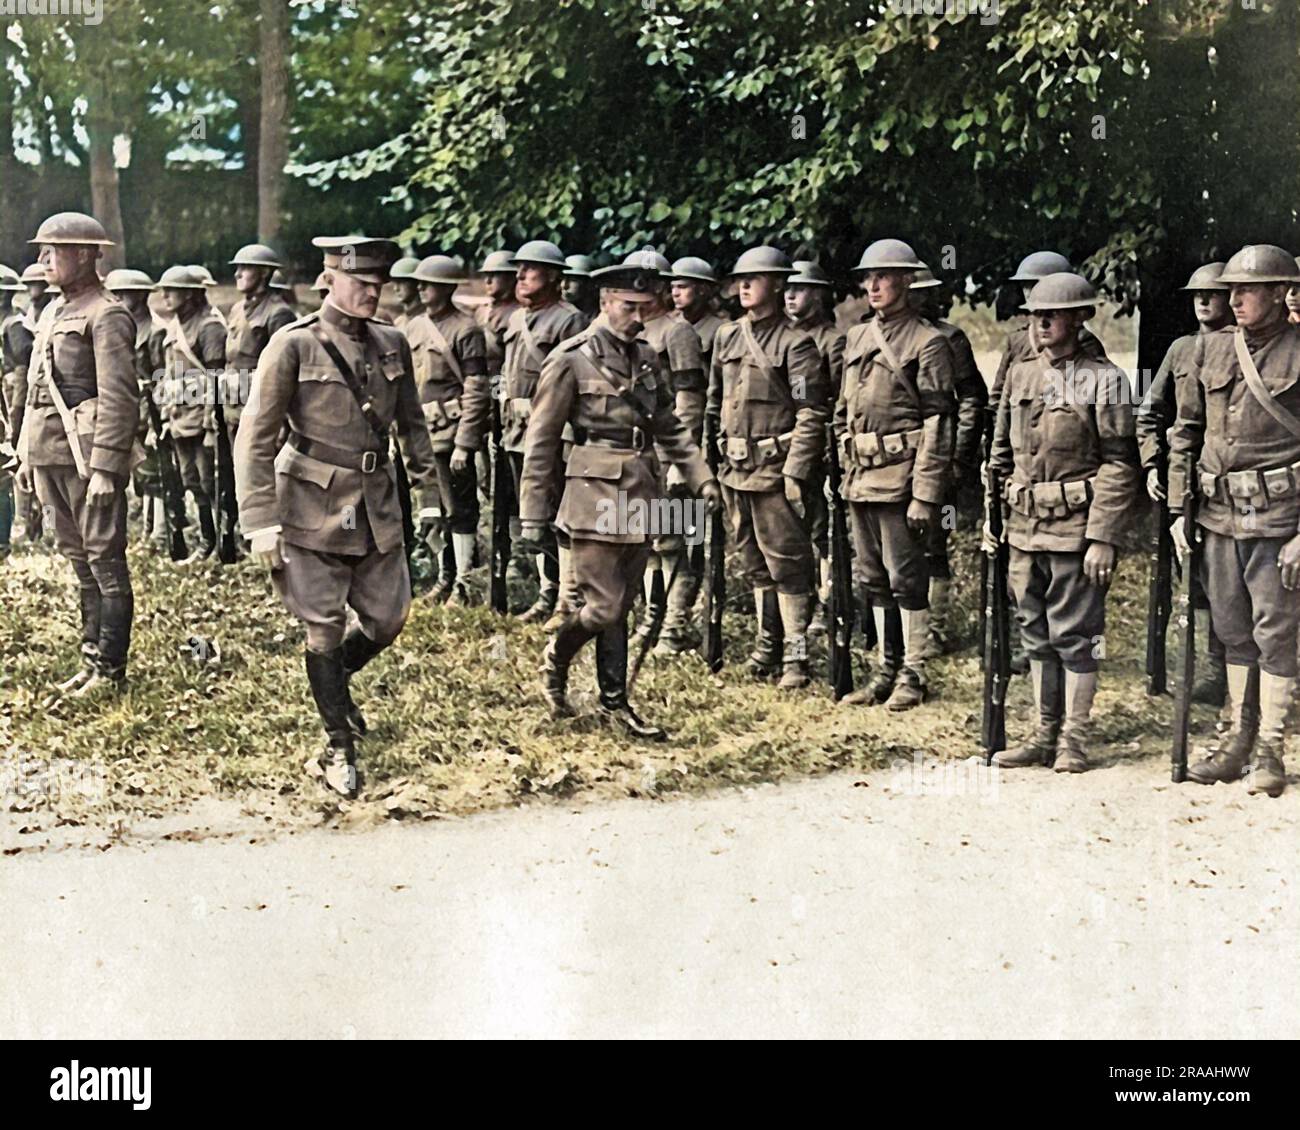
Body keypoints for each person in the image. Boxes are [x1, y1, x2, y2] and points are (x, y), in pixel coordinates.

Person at [234, 236, 439, 799]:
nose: (371, 294)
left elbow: (413, 426)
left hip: (375, 505)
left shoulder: (392, 342)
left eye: (379, 286)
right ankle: (338, 744)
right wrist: (260, 521)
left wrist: (429, 494)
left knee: (388, 619)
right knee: (322, 626)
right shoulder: (293, 345)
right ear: (329, 281)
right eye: (360, 285)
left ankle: (334, 683)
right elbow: (254, 438)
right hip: (310, 507)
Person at [519, 262, 720, 737]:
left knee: (623, 602)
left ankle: (615, 702)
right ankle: (557, 657)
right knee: (604, 606)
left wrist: (701, 479)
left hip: (640, 491)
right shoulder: (571, 358)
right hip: (592, 494)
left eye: (645, 308)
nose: (638, 316)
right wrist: (532, 512)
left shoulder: (647, 357)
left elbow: (669, 426)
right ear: (606, 301)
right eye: (629, 307)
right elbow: (542, 440)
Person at [987, 271, 1140, 772]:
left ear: (1079, 319)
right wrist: (995, 516)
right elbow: (1002, 455)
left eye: (1053, 315)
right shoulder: (1020, 376)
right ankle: (1042, 733)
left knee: (1075, 633)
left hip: (1076, 529)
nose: (1042, 324)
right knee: (1034, 632)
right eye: (1035, 315)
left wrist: (1103, 537)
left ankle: (1074, 737)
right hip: (1024, 528)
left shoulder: (1106, 379)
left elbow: (1119, 463)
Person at [1169, 244, 1300, 798]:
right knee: (1231, 630)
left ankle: (1271, 746)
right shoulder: (1211, 350)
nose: (1235, 298)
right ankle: (1236, 739)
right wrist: (1179, 509)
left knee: (1278, 633)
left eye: (1248, 289)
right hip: (1218, 515)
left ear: (1278, 293)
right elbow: (1185, 431)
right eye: (1232, 289)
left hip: (1279, 518)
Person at [12, 212, 139, 696]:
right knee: (79, 560)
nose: (43, 259)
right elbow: (35, 387)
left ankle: (110, 670)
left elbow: (119, 396)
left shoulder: (106, 314)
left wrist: (107, 467)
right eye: (41, 250)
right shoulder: (51, 312)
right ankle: (91, 661)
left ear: (86, 255)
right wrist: (26, 454)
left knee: (105, 561)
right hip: (50, 455)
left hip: (87, 460)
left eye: (54, 251)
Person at [835, 239, 957, 710]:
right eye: (868, 277)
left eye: (884, 276)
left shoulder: (929, 343)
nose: (874, 285)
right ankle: (885, 669)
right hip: (859, 477)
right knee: (872, 578)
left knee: (906, 577)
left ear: (908, 280)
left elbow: (938, 422)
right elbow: (844, 410)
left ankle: (914, 671)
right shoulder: (858, 337)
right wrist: (842, 467)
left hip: (901, 478)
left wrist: (925, 494)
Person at [706, 245, 827, 689]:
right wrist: (708, 465)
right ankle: (767, 644)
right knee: (754, 562)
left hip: (774, 471)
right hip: (734, 470)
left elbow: (810, 411)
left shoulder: (796, 344)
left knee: (788, 564)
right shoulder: (727, 337)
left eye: (753, 280)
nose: (743, 286)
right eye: (740, 279)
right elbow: (713, 404)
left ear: (776, 285)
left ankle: (796, 655)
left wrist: (795, 472)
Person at [1136, 262, 1235, 706]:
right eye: (1196, 294)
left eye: (1211, 294)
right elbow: (1151, 412)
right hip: (1180, 480)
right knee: (1190, 576)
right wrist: (1151, 465)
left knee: (1230, 577)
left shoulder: (1243, 349)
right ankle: (1205, 668)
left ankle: (1230, 667)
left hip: (1227, 478)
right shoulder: (1180, 349)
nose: (1202, 301)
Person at [501, 240, 589, 620]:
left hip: (550, 433)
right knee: (530, 514)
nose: (519, 276)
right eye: (519, 269)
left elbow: (578, 381)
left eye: (530, 269)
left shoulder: (569, 320)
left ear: (553, 277)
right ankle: (546, 591)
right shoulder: (515, 319)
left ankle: (568, 599)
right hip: (515, 430)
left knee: (557, 515)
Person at [909, 262, 987, 655]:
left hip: (940, 461)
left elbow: (972, 398)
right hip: (894, 462)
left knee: (935, 543)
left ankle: (935, 629)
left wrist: (958, 458)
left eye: (922, 292)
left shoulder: (949, 338)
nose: (916, 299)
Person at [403, 254, 490, 604]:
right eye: (419, 283)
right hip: (420, 433)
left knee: (459, 509)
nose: (420, 288)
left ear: (446, 287)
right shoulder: (412, 327)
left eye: (429, 283)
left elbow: (477, 387)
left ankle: (464, 584)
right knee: (430, 508)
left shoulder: (465, 329)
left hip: (451, 434)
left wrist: (465, 443)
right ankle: (444, 576)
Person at [784, 259, 845, 635]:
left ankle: (828, 601)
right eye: (787, 289)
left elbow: (838, 397)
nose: (790, 295)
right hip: (787, 445)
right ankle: (798, 598)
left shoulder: (832, 340)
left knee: (824, 530)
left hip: (820, 449)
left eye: (800, 288)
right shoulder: (785, 339)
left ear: (819, 294)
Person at [158, 264, 226, 561]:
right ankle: (205, 540)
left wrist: (211, 424)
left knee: (211, 482)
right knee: (191, 481)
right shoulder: (174, 326)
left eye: (171, 290)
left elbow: (216, 378)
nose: (165, 295)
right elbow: (168, 373)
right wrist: (163, 413)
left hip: (202, 419)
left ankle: (222, 541)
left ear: (189, 294)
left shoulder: (209, 326)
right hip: (178, 417)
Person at [104, 268, 169, 550]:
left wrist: (160, 418)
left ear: (141, 296)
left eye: (123, 294)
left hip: (149, 410)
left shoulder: (155, 331)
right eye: (114, 294)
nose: (117, 299)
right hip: (125, 408)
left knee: (155, 471)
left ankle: (159, 531)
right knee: (134, 473)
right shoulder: (119, 326)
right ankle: (143, 523)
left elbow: (162, 376)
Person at [224, 244, 296, 453]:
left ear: (264, 272)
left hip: (262, 412)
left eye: (245, 268)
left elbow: (284, 372)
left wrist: (282, 420)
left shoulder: (278, 313)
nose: (237, 274)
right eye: (237, 268)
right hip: (233, 406)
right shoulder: (237, 309)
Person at [667, 256, 727, 370]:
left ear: (702, 289)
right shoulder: (668, 325)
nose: (675, 293)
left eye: (682, 287)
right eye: (672, 287)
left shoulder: (721, 329)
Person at [388, 257, 422, 331]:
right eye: (394, 282)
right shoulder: (398, 322)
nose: (396, 288)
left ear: (416, 283)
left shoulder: (430, 321)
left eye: (401, 282)